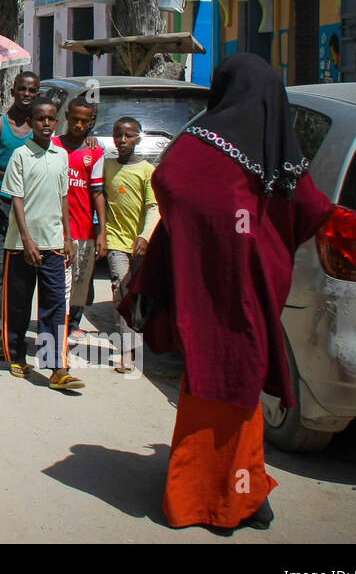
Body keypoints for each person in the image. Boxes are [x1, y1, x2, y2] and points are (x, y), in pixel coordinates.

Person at [119, 53, 334, 532]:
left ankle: (220, 494)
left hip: (200, 293)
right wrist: (260, 236)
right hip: (246, 293)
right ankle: (230, 498)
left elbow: (169, 182)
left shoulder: (197, 140)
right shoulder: (270, 145)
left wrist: (198, 239)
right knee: (241, 381)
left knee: (211, 379)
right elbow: (312, 208)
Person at [0, 97, 82, 390]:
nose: (46, 124)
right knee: (19, 304)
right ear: (31, 123)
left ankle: (57, 367)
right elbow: (17, 200)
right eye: (40, 119)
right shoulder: (21, 156)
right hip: (22, 246)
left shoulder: (61, 156)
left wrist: (68, 237)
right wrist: (26, 240)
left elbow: (64, 198)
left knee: (54, 305)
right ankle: (17, 355)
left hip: (55, 243)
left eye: (51, 119)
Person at [0, 70, 39, 347]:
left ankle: (17, 327)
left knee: (24, 271)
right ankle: (0, 328)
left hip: (30, 210)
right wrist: (9, 176)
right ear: (12, 91)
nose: (27, 95)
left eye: (32, 90)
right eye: (22, 89)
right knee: (1, 267)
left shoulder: (41, 129)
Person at [101, 116, 160, 372]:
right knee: (122, 290)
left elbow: (153, 206)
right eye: (118, 135)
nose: (122, 140)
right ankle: (127, 352)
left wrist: (144, 236)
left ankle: (140, 340)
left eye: (129, 136)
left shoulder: (147, 171)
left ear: (138, 137)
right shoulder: (107, 166)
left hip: (140, 244)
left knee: (138, 295)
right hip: (116, 240)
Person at [53, 96, 107, 342]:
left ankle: (74, 323)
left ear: (90, 123)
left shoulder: (95, 152)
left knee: (80, 279)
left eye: (84, 121)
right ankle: (55, 321)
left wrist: (102, 232)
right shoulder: (51, 145)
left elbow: (97, 192)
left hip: (83, 228)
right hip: (53, 228)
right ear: (66, 117)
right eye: (74, 119)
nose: (78, 124)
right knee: (55, 281)